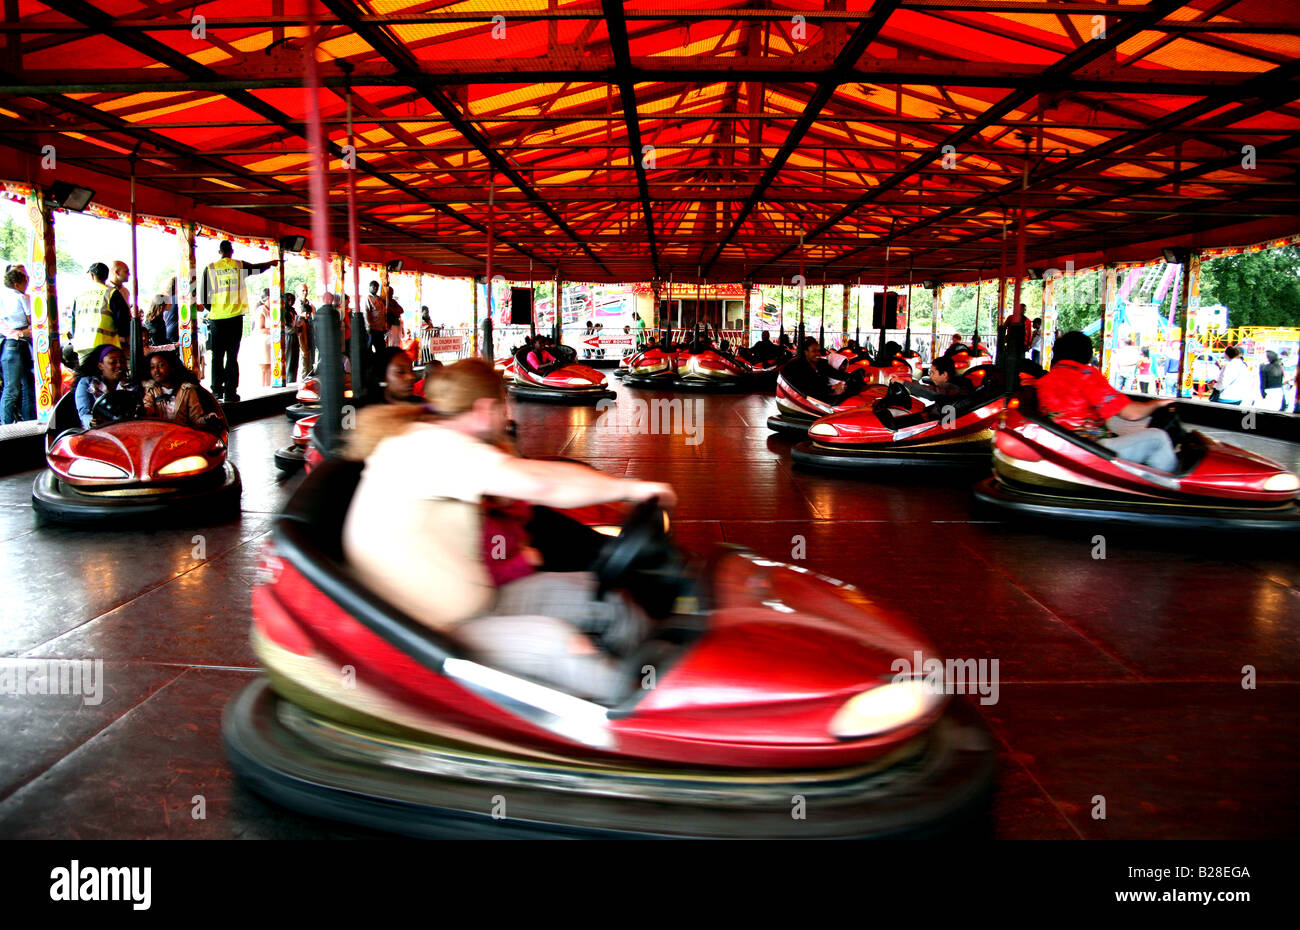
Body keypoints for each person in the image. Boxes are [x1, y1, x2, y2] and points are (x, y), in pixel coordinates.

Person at [340, 358, 675, 702]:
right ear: (486, 410)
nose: (510, 414)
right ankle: (652, 723)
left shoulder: (440, 442)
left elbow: (522, 491)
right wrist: (631, 489)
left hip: (482, 603)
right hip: (432, 635)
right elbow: (539, 484)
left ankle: (671, 677)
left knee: (605, 596)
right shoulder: (429, 447)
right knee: (563, 645)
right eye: (506, 404)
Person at [1035, 331, 1178, 472]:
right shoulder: (1085, 375)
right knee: (1158, 437)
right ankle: (1170, 490)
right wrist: (1158, 403)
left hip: (1064, 447)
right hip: (1092, 449)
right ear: (1086, 353)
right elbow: (1132, 414)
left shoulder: (1046, 380)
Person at [198, 240, 274, 404]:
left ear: (220, 252)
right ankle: (230, 393)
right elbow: (257, 268)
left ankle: (216, 390)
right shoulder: (239, 266)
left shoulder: (210, 268)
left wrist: (212, 308)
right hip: (235, 318)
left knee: (217, 356)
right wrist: (270, 263)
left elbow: (204, 295)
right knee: (232, 356)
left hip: (217, 319)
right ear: (231, 252)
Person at [141, 350, 223, 432]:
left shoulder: (187, 390)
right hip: (158, 436)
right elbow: (148, 408)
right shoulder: (151, 390)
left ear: (171, 367)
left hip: (181, 437)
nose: (156, 370)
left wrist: (208, 419)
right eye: (152, 367)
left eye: (161, 365)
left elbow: (196, 418)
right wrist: (141, 410)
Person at [779, 337, 864, 403]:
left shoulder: (821, 364)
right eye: (814, 351)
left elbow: (835, 373)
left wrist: (852, 377)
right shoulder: (799, 367)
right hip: (810, 400)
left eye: (819, 351)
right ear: (806, 352)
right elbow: (809, 388)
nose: (818, 354)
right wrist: (833, 388)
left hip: (825, 397)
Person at [1, 264, 35, 424]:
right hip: (22, 344)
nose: (27, 285)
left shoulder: (3, 298)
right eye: (25, 282)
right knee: (27, 387)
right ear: (17, 284)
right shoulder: (22, 297)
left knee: (11, 389)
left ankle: (6, 426)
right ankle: (30, 423)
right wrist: (24, 331)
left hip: (9, 345)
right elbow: (33, 320)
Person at [67, 263, 121, 363]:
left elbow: (74, 320)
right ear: (106, 276)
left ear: (92, 276)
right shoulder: (111, 293)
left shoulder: (79, 295)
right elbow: (122, 320)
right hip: (104, 345)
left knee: (86, 375)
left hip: (82, 344)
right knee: (102, 376)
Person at [73, 345, 139, 428]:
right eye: (113, 362)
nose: (119, 365)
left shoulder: (131, 385)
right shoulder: (86, 383)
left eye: (122, 362)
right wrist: (92, 421)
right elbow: (84, 413)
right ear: (100, 366)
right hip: (97, 433)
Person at [891, 356, 974, 404]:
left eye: (933, 372)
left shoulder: (952, 387)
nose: (930, 375)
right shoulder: (954, 384)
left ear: (944, 374)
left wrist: (903, 382)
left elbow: (930, 392)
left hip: (949, 426)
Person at [251, 289, 273, 387]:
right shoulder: (261, 310)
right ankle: (263, 388)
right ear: (268, 298)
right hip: (263, 342)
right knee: (264, 368)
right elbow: (260, 328)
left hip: (271, 342)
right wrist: (274, 330)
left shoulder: (272, 310)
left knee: (270, 367)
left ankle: (268, 387)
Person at [364, 281, 388, 360]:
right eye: (373, 287)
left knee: (381, 348)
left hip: (380, 328)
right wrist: (368, 326)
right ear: (369, 287)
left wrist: (385, 326)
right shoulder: (368, 298)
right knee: (369, 348)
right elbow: (366, 312)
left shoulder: (379, 299)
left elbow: (383, 313)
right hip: (372, 328)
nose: (375, 289)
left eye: (376, 287)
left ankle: (379, 365)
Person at [282, 293, 300, 383]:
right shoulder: (283, 311)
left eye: (292, 300)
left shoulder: (293, 310)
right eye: (288, 300)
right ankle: (288, 381)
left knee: (295, 361)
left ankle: (293, 380)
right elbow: (285, 328)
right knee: (289, 360)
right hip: (288, 337)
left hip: (295, 336)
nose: (290, 302)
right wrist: (296, 329)